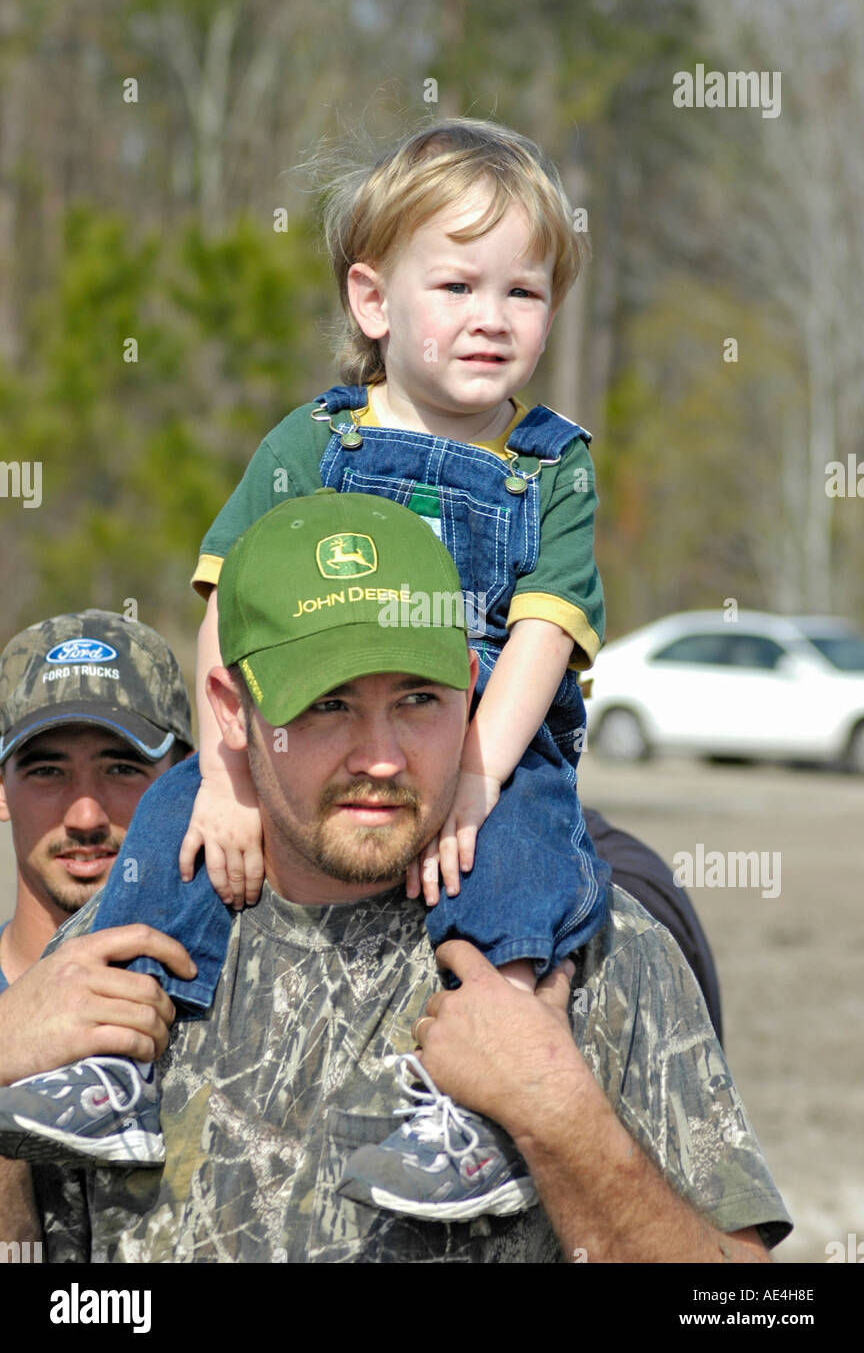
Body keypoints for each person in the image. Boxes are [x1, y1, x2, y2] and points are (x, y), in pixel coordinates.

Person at [0, 118, 618, 1220]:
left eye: (523, 294)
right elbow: (223, 614)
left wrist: (474, 770)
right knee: (175, 817)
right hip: (295, 734)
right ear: (374, 302)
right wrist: (233, 770)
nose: (492, 318)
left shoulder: (550, 466)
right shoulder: (311, 445)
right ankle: (119, 1042)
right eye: (459, 286)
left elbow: (545, 632)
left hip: (491, 739)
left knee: (526, 853)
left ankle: (478, 1091)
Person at [9, 494, 789, 1262]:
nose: (381, 758)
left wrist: (560, 1117)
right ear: (233, 709)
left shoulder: (595, 955)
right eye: (328, 704)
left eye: (419, 699)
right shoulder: (109, 961)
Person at [0, 608, 196, 1245]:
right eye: (47, 770)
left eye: (121, 768)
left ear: (188, 779)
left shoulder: (241, 999)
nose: (85, 814)